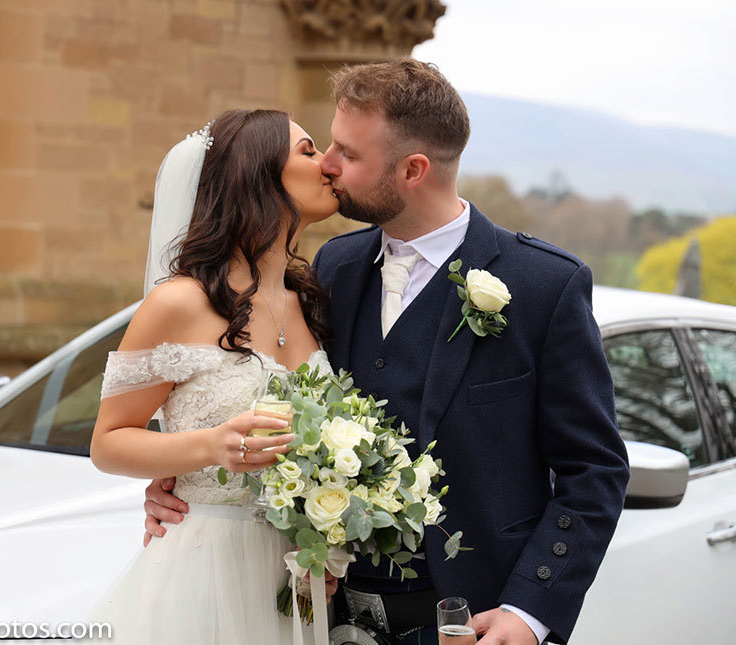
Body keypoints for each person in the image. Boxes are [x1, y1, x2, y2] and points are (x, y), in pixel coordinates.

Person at [142, 59, 630, 645]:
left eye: (347, 153)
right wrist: (180, 477)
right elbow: (254, 385)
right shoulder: (334, 268)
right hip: (319, 616)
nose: (327, 163)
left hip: (470, 625)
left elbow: (594, 469)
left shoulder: (543, 285)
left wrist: (530, 611)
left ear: (412, 169)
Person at [85, 109, 342, 644]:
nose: (329, 165)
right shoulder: (178, 303)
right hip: (205, 568)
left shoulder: (312, 302)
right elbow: (107, 444)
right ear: (259, 174)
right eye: (309, 150)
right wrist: (209, 446)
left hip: (296, 578)